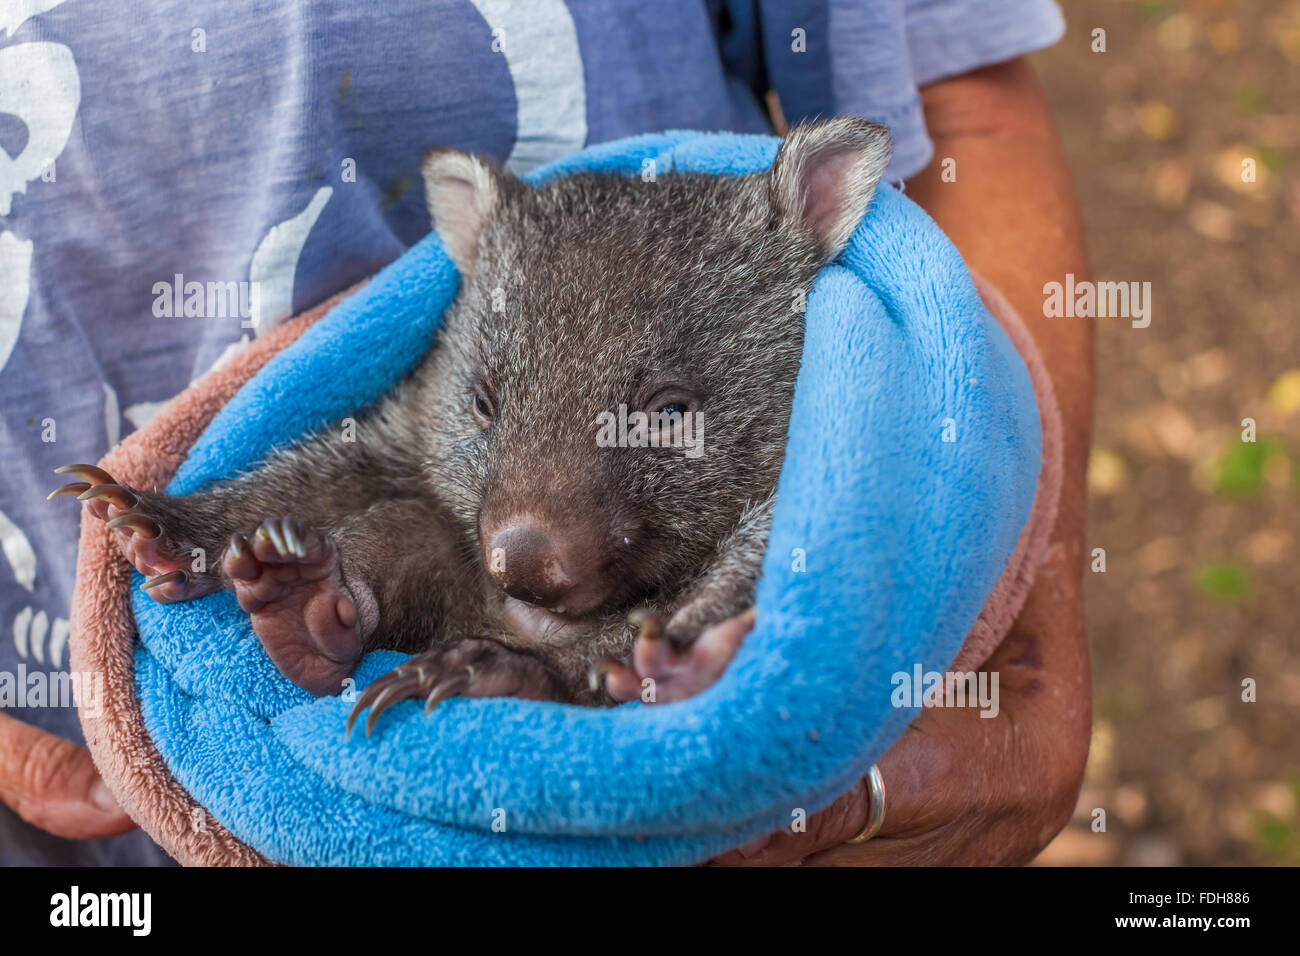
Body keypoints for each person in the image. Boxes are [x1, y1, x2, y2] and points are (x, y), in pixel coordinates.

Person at [0, 0, 1089, 865]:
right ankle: (349, 600)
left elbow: (966, 111)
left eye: (663, 417)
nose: (541, 537)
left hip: (645, 655)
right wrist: (204, 521)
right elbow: (379, 450)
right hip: (73, 762)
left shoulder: (772, 284)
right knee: (389, 516)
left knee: (709, 602)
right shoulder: (474, 356)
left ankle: (555, 668)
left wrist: (1024, 633)